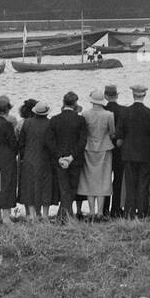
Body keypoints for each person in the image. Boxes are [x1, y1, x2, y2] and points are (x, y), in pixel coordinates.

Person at [121, 84, 150, 218]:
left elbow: (119, 133)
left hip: (129, 153)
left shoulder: (125, 112)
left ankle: (129, 212)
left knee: (130, 185)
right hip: (145, 154)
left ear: (133, 95)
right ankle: (142, 212)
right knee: (143, 184)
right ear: (144, 95)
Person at [51, 92, 87, 222]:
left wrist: (59, 157)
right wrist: (72, 157)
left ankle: (63, 216)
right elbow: (82, 141)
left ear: (63, 102)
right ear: (75, 104)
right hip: (75, 160)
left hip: (59, 160)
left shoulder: (54, 120)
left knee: (64, 188)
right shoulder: (80, 120)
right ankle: (66, 217)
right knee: (72, 188)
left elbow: (50, 141)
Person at [80, 89, 117, 216]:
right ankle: (100, 212)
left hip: (89, 148)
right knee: (104, 180)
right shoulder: (109, 115)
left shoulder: (85, 114)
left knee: (89, 179)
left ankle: (91, 211)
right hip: (105, 148)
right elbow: (112, 132)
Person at [17, 100, 55, 219]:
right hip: (45, 160)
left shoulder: (27, 123)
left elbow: (21, 142)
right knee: (46, 187)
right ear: (46, 113)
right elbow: (52, 144)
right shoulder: (50, 124)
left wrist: (24, 156)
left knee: (29, 186)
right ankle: (44, 215)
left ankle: (32, 215)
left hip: (29, 158)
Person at [102, 84, 125, 217]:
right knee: (118, 179)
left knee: (105, 179)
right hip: (119, 149)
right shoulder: (123, 111)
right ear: (117, 95)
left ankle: (104, 208)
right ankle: (116, 209)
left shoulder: (103, 111)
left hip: (105, 149)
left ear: (105, 96)